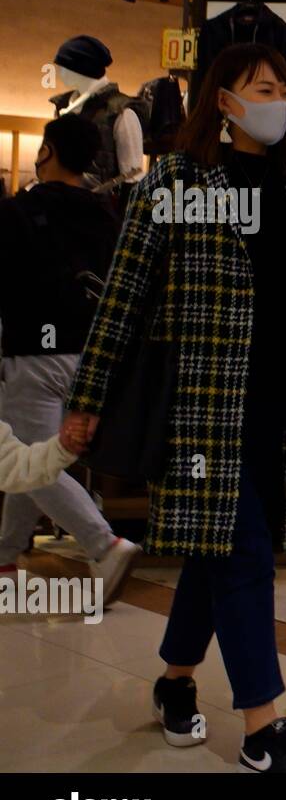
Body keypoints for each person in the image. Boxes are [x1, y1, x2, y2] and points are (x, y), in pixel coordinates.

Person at [63, 43, 286, 770]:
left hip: (276, 407)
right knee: (245, 556)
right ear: (223, 101)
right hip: (203, 410)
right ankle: (263, 728)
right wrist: (89, 399)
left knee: (215, 554)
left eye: (285, 87)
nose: (277, 97)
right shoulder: (177, 178)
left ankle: (176, 680)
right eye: (261, 86)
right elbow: (122, 296)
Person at [0, 115, 139, 600]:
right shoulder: (108, 214)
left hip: (34, 355)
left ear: (47, 152)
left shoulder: (18, 212)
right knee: (32, 452)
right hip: (94, 357)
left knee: (26, 458)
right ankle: (5, 556)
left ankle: (105, 544)